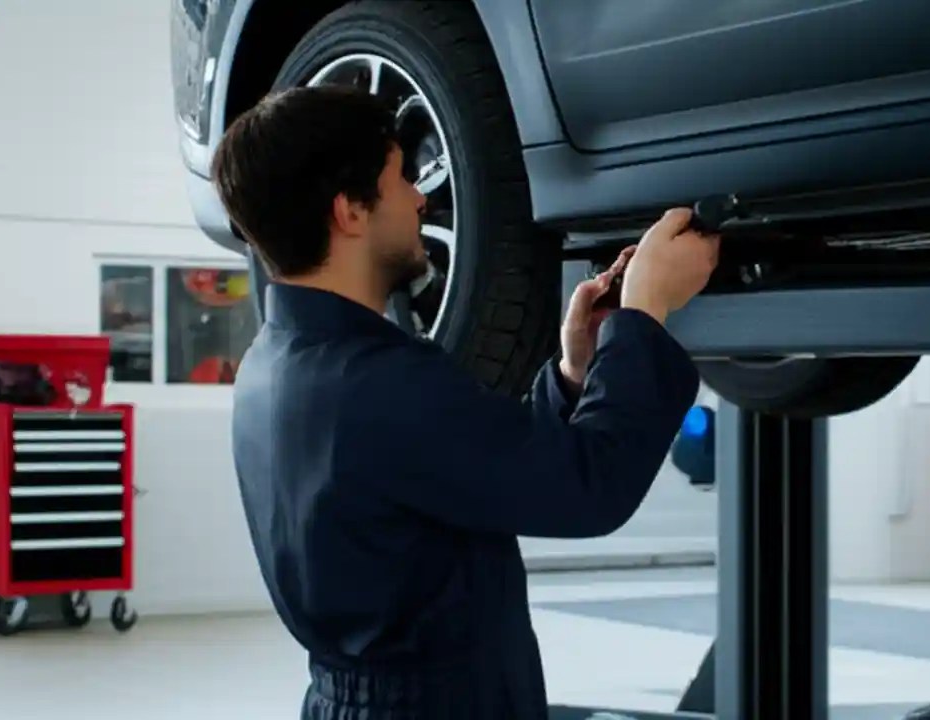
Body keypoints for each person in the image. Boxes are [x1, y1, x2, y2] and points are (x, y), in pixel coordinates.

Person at [211, 85, 720, 719]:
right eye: (401, 179)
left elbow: (488, 469)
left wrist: (574, 369)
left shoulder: (273, 366)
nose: (421, 198)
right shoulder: (377, 383)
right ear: (350, 212)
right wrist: (646, 309)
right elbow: (588, 489)